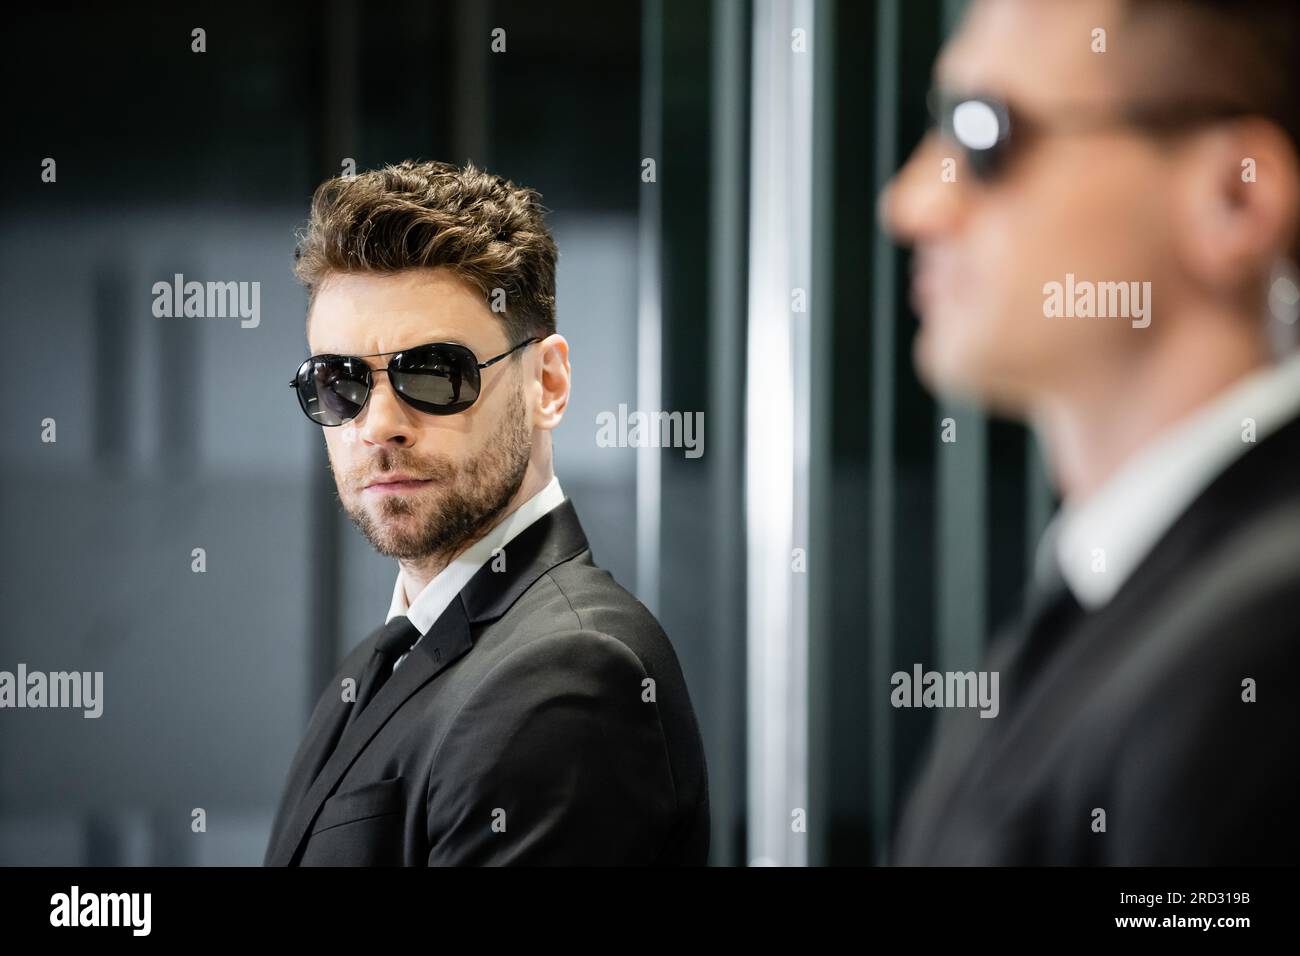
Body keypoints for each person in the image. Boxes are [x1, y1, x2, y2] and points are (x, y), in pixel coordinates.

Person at [879, 0, 1300, 864]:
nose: (913, 203)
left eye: (983, 132)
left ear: (1235, 196)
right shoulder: (1107, 593)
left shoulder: (1265, 647)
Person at [265, 160, 709, 865]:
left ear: (549, 383)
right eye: (338, 381)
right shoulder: (388, 659)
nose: (379, 423)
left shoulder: (571, 677)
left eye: (435, 372)